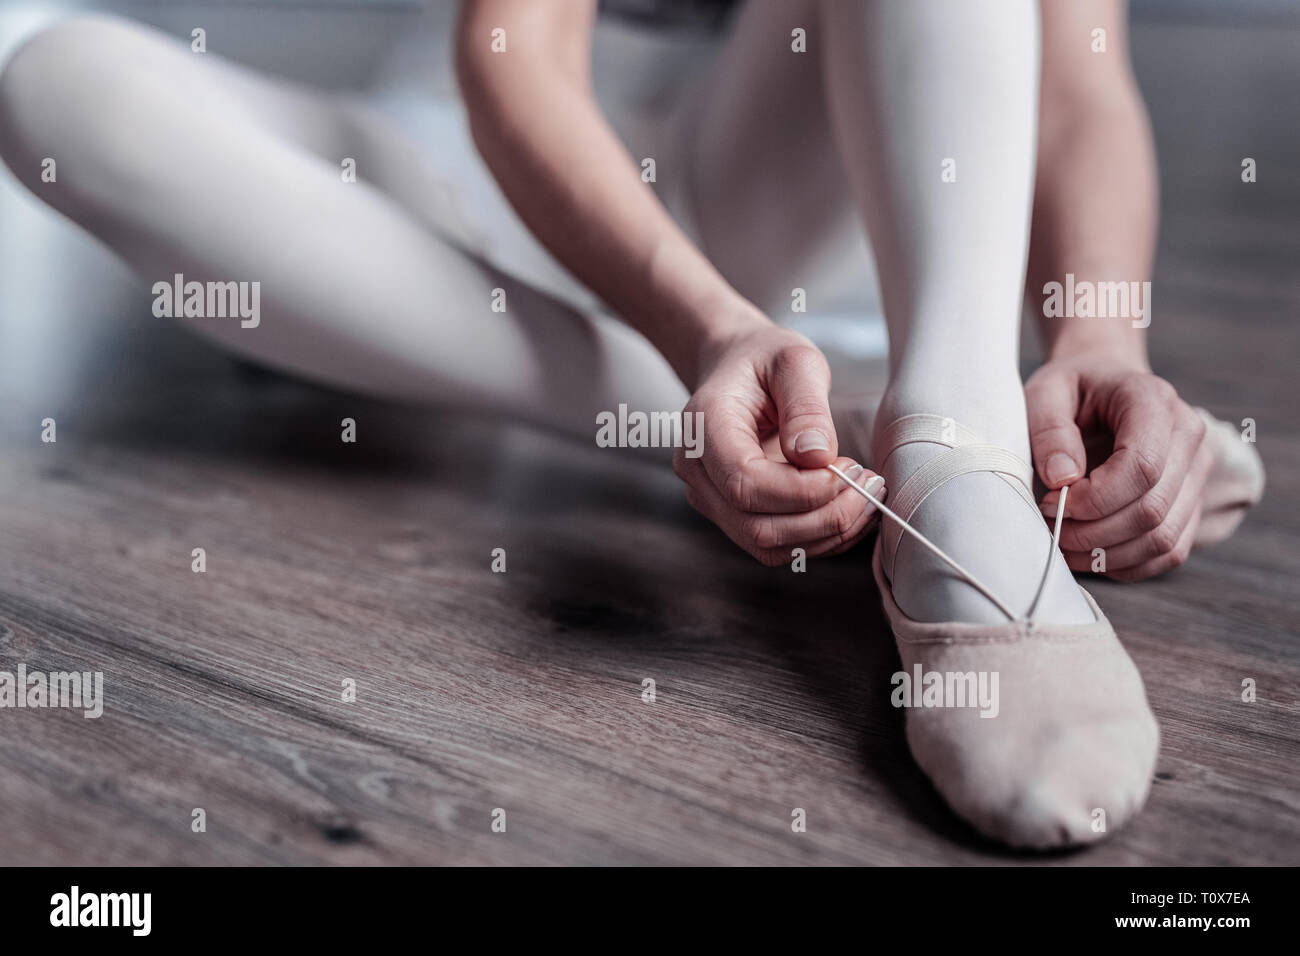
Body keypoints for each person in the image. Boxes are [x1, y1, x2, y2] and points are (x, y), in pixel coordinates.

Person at [0, 0, 1262, 847]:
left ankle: (938, 430)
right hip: (493, 192)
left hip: (787, 180)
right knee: (60, 88)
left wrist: (1103, 346)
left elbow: (1080, 86)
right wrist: (708, 336)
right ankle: (846, 434)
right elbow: (516, 61)